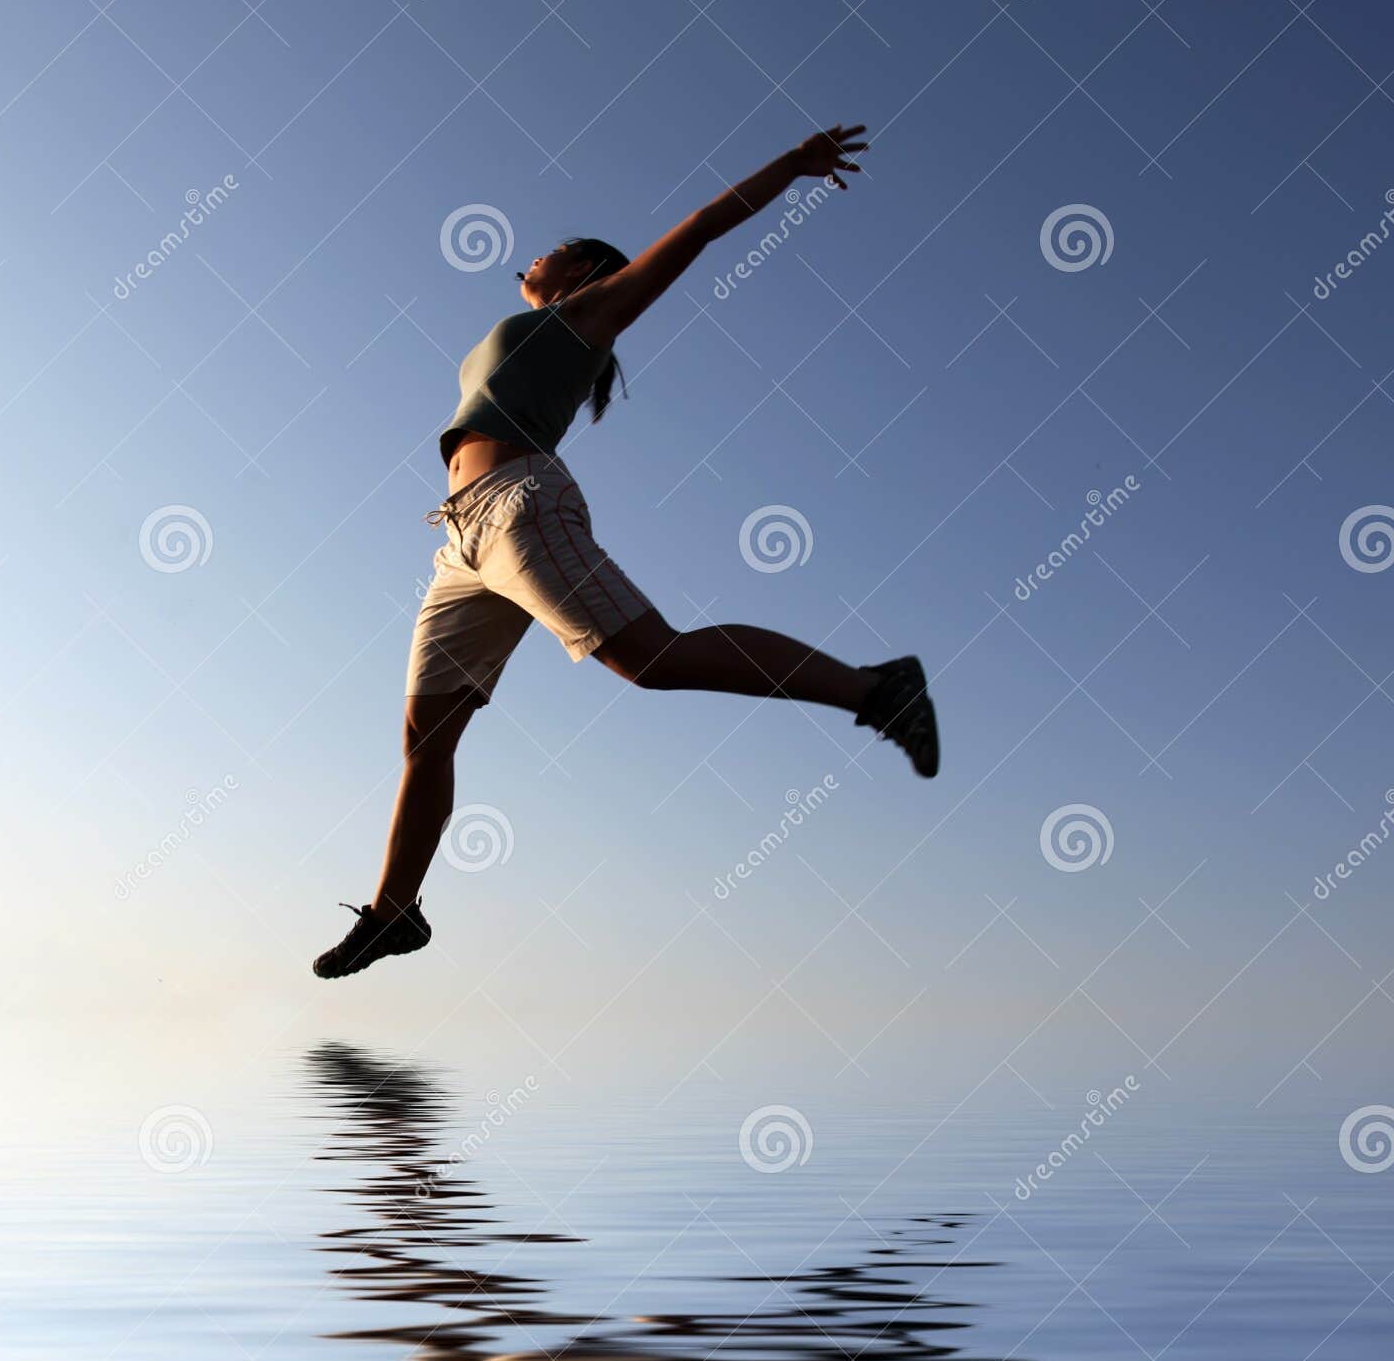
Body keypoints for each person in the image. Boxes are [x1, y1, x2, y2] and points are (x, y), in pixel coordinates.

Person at [314, 125, 938, 979]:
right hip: (461, 540)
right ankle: (394, 914)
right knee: (427, 735)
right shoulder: (541, 328)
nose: (533, 256)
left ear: (583, 271)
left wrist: (793, 166)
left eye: (553, 249)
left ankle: (878, 690)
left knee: (650, 659)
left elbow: (703, 226)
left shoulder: (588, 318)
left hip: (518, 507)